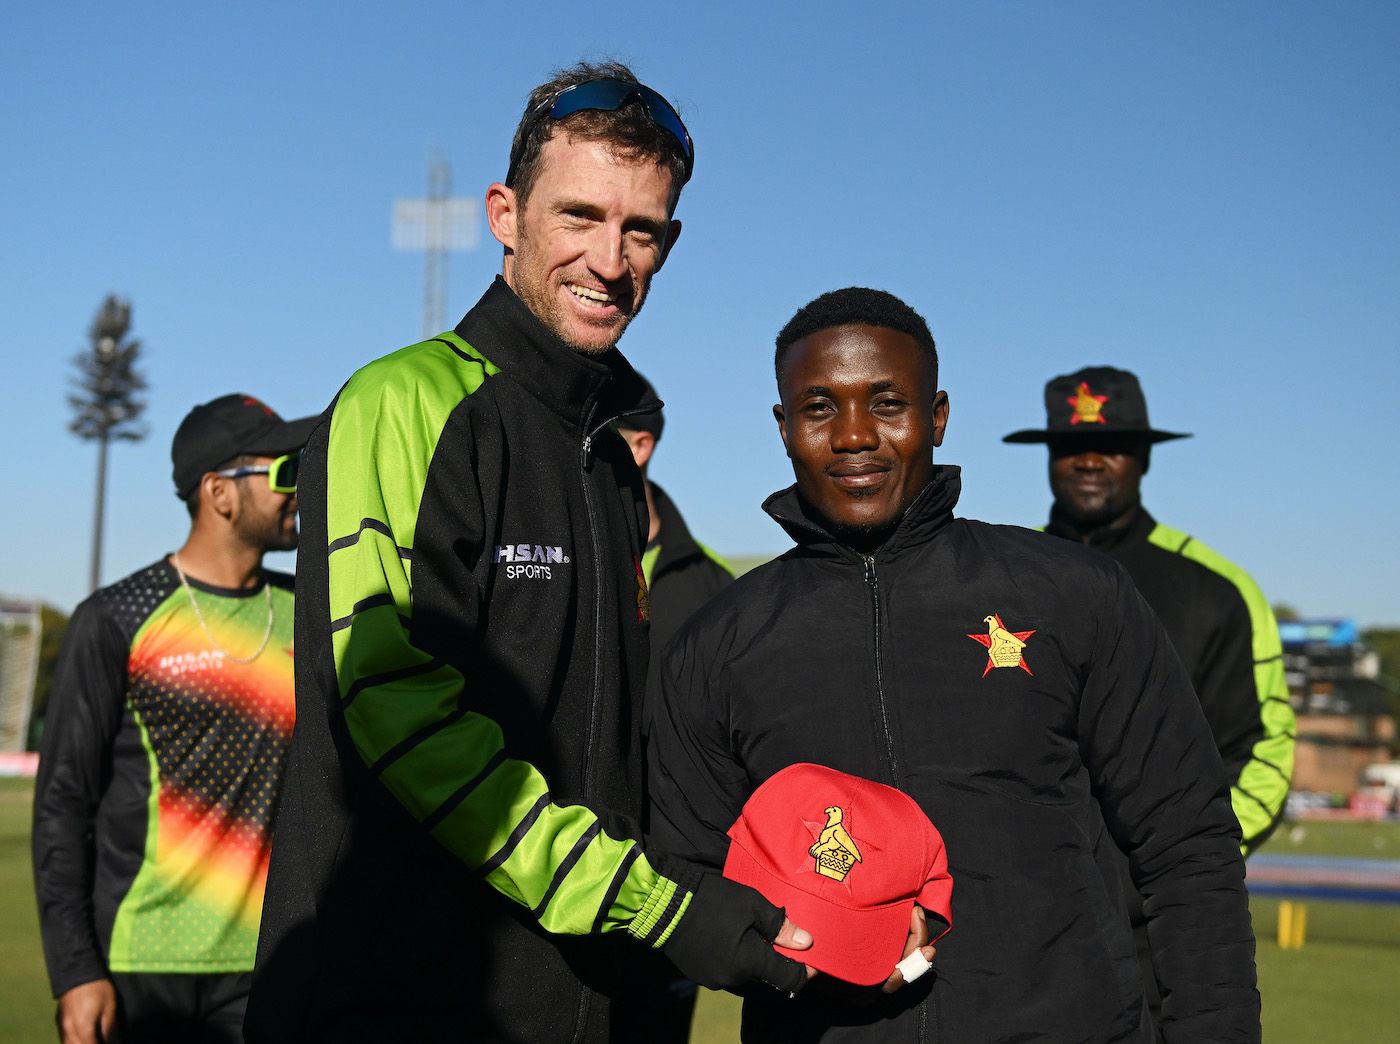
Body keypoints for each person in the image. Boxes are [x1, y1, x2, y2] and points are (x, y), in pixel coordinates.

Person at [247, 61, 811, 1044]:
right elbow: (397, 712)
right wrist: (651, 904)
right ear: (503, 215)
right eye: (579, 216)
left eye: (641, 231)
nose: (609, 260)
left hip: (596, 1000)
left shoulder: (607, 457)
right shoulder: (406, 403)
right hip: (399, 1005)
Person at [646, 288, 1260, 1042]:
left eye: (886, 404)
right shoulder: (720, 642)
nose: (854, 436)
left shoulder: (1072, 593)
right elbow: (683, 878)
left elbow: (1188, 841)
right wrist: (779, 955)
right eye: (818, 409)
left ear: (936, 416)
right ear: (783, 427)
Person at [1003, 364, 1295, 1019]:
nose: (1090, 461)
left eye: (1113, 445)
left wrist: (1175, 861)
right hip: (1022, 931)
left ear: (1143, 459)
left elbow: (1266, 753)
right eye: (1071, 446)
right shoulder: (1002, 584)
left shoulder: (1217, 591)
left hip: (1159, 930)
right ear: (1048, 457)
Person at [33, 393, 316, 1044]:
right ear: (218, 493)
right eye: (281, 473)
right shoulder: (117, 617)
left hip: (275, 962)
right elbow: (63, 804)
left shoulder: (311, 611)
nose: (297, 490)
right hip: (140, 967)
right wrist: (75, 971)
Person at [615, 382, 734, 1042]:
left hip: (673, 892)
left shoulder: (714, 595)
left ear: (641, 446)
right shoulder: (552, 566)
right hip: (553, 881)